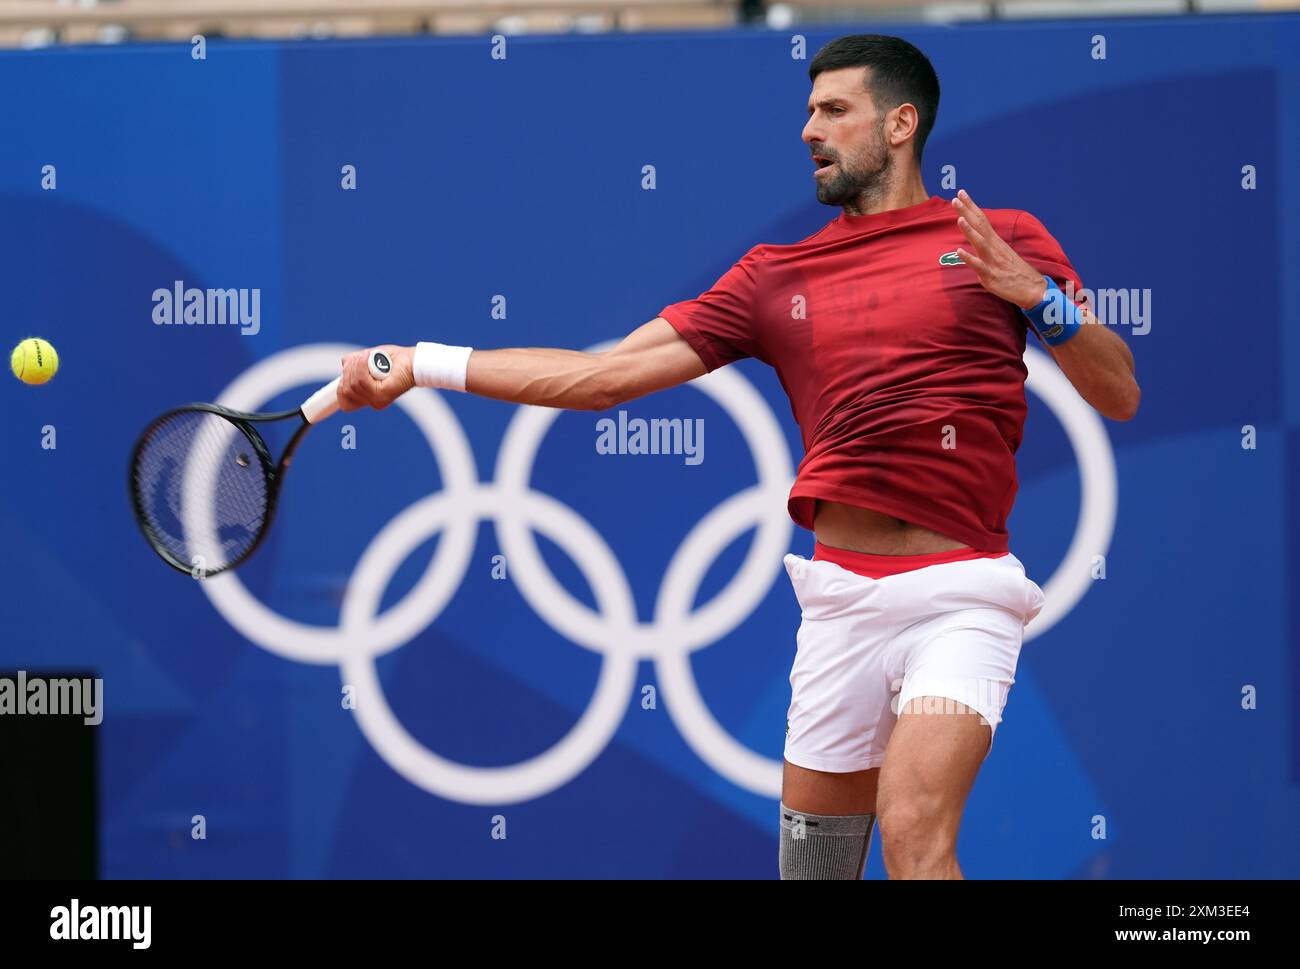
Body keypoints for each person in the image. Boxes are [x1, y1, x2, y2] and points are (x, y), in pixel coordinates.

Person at [336, 33, 1139, 880]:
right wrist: (420, 362)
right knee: (815, 870)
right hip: (839, 605)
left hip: (961, 598)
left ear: (901, 124)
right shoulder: (773, 278)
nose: (809, 130)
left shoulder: (1001, 239)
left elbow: (1117, 391)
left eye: (834, 110)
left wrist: (1040, 300)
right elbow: (601, 378)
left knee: (913, 833)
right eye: (807, 111)